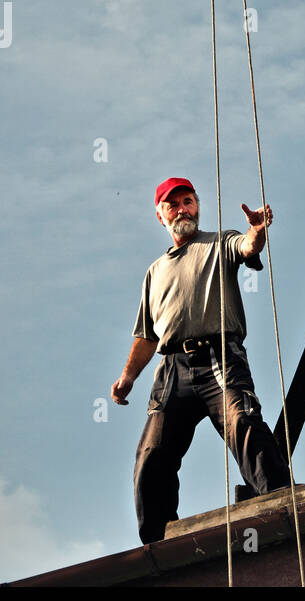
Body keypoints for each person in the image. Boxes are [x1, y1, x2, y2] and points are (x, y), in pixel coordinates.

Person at [111, 176, 290, 544]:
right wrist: (128, 377)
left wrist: (257, 231)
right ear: (160, 216)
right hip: (172, 370)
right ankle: (158, 546)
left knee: (244, 424)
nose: (182, 209)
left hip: (218, 356)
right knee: (151, 454)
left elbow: (248, 246)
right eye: (172, 205)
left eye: (188, 201)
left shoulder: (219, 241)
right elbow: (147, 336)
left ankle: (280, 508)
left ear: (197, 205)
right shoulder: (155, 272)